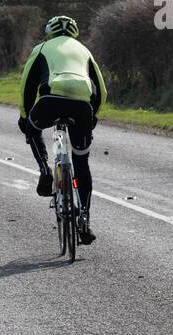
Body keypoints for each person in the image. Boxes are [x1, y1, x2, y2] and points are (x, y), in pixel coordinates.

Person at [17, 15, 107, 244]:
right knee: (81, 163)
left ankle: (45, 170)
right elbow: (102, 91)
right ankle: (84, 220)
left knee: (33, 128)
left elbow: (26, 85)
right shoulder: (85, 50)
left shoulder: (42, 48)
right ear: (74, 32)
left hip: (51, 101)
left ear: (50, 32)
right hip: (82, 108)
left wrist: (25, 116)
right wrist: (93, 115)